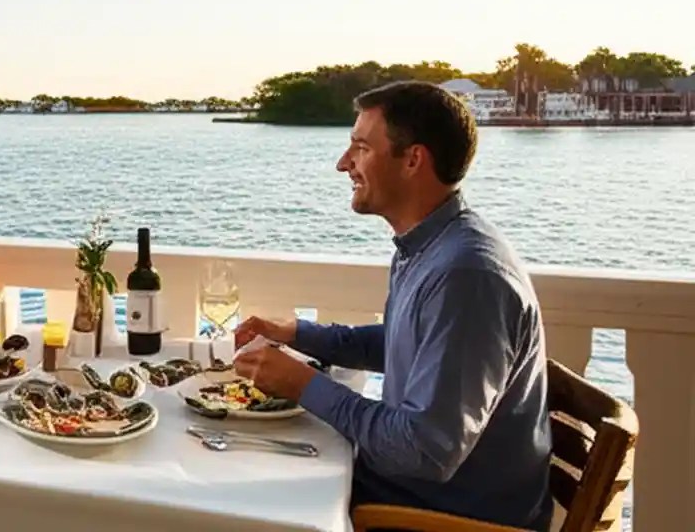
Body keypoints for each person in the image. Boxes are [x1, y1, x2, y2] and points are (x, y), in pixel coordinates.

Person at [233, 81, 552, 530]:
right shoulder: (431, 246)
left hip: (444, 517)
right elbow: (407, 342)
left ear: (413, 160)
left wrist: (302, 384)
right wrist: (299, 333)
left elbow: (424, 451)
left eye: (361, 148)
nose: (343, 163)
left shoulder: (467, 275)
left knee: (236, 503)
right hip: (411, 492)